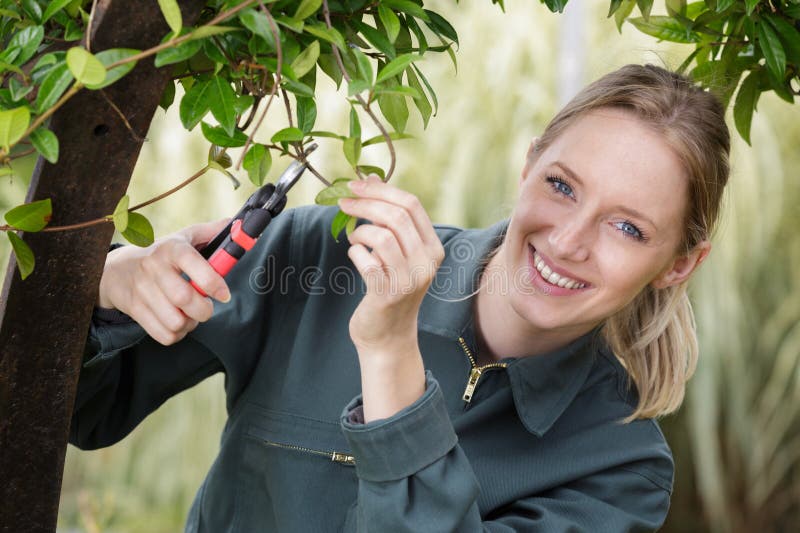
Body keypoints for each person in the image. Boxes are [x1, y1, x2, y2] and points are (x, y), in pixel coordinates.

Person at [73, 63, 730, 532]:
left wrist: (390, 354)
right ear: (528, 165)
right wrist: (107, 283)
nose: (568, 241)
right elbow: (78, 412)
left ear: (679, 265)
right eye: (561, 186)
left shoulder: (621, 469)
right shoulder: (323, 256)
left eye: (627, 228)